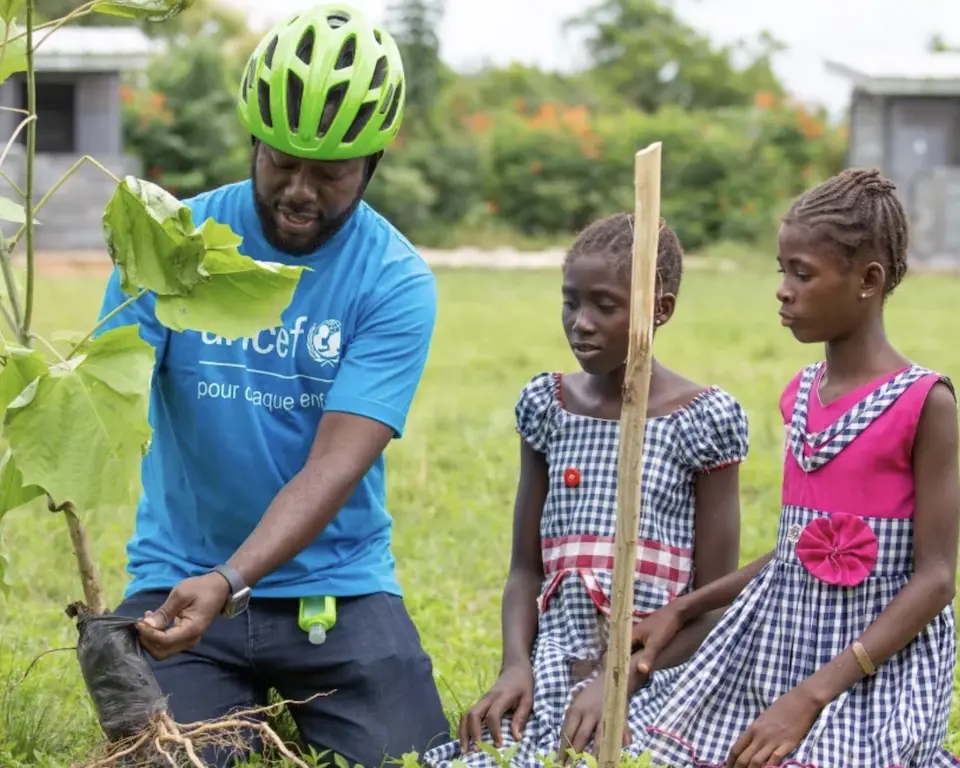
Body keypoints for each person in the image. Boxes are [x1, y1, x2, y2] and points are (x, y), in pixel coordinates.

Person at [94, 4, 450, 766]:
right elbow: (103, 394)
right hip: (175, 582)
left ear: (373, 165)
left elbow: (333, 464)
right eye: (281, 161)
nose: (299, 190)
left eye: (330, 173)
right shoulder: (173, 245)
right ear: (253, 141)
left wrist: (232, 578)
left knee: (413, 757)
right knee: (173, 758)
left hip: (338, 589)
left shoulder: (394, 281)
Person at [633, 168, 960, 768]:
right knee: (668, 743)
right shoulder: (801, 393)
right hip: (782, 647)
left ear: (868, 280)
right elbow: (797, 550)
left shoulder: (925, 404)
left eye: (802, 274)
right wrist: (686, 605)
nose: (783, 290)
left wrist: (811, 696)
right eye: (781, 271)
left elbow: (937, 579)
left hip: (872, 671)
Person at [421, 213, 750, 767]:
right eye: (570, 302)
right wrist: (514, 666)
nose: (582, 323)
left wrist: (617, 682)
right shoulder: (550, 408)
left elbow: (714, 606)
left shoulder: (702, 420)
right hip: (550, 667)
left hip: (657, 676)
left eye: (606, 305)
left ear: (659, 310)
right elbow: (525, 570)